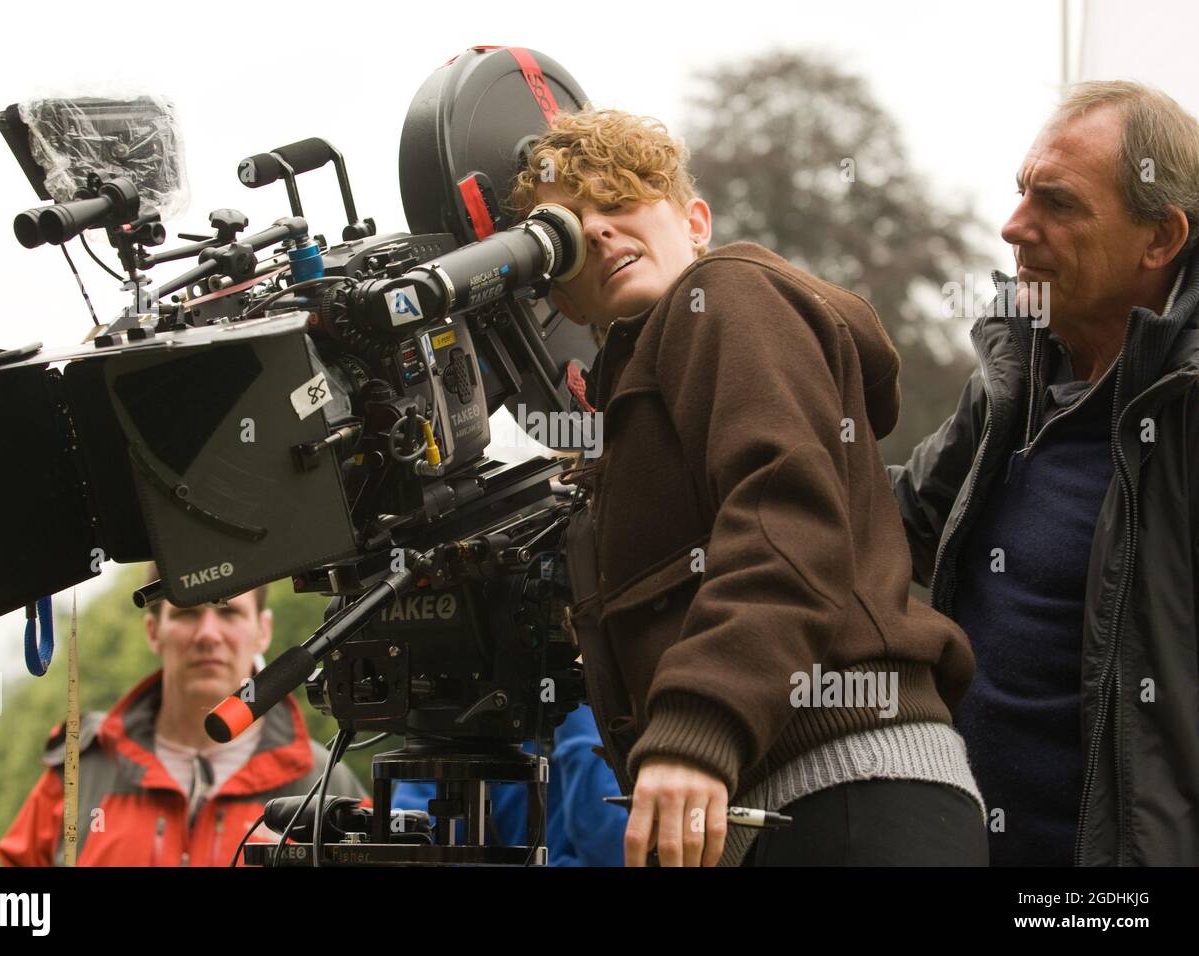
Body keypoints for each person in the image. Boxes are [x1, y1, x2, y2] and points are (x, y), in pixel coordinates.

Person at [510, 108, 987, 867]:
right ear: (562, 299)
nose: (596, 230)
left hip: (852, 793)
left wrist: (698, 729)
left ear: (696, 221)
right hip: (787, 806)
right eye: (568, 225)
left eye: (618, 200)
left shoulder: (725, 291)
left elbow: (786, 521)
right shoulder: (628, 406)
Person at [889, 81, 1199, 866]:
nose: (1013, 225)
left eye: (1057, 203)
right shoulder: (1016, 380)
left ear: (1160, 239)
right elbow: (890, 522)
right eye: (1022, 192)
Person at [0, 569, 365, 866]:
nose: (207, 634)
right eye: (187, 612)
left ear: (263, 630)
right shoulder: (80, 766)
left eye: (229, 611)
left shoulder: (328, 780)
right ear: (154, 632)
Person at [390, 704, 628, 866]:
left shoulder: (622, 713)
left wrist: (579, 711)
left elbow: (616, 852)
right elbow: (411, 850)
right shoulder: (464, 713)